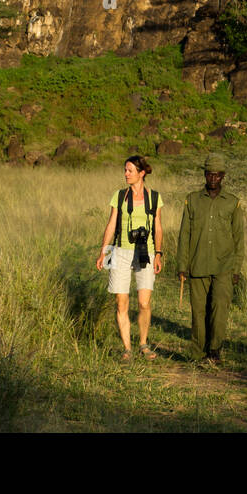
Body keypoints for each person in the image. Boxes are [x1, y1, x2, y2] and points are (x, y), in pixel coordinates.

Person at [175, 152, 244, 367]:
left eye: (217, 175)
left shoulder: (232, 202)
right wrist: (182, 265)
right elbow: (184, 233)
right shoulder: (193, 199)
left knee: (219, 308)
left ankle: (214, 351)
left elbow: (239, 237)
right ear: (204, 175)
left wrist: (236, 268)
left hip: (224, 265)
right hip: (197, 264)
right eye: (209, 174)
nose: (213, 179)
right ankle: (197, 352)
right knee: (198, 310)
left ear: (223, 176)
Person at [95, 155, 165, 361]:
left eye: (130, 171)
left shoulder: (154, 197)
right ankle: (127, 349)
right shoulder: (119, 196)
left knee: (144, 302)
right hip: (121, 251)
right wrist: (104, 252)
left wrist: (159, 253)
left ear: (141, 173)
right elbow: (111, 225)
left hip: (146, 252)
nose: (126, 174)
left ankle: (143, 343)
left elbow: (158, 227)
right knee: (121, 302)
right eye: (125, 170)